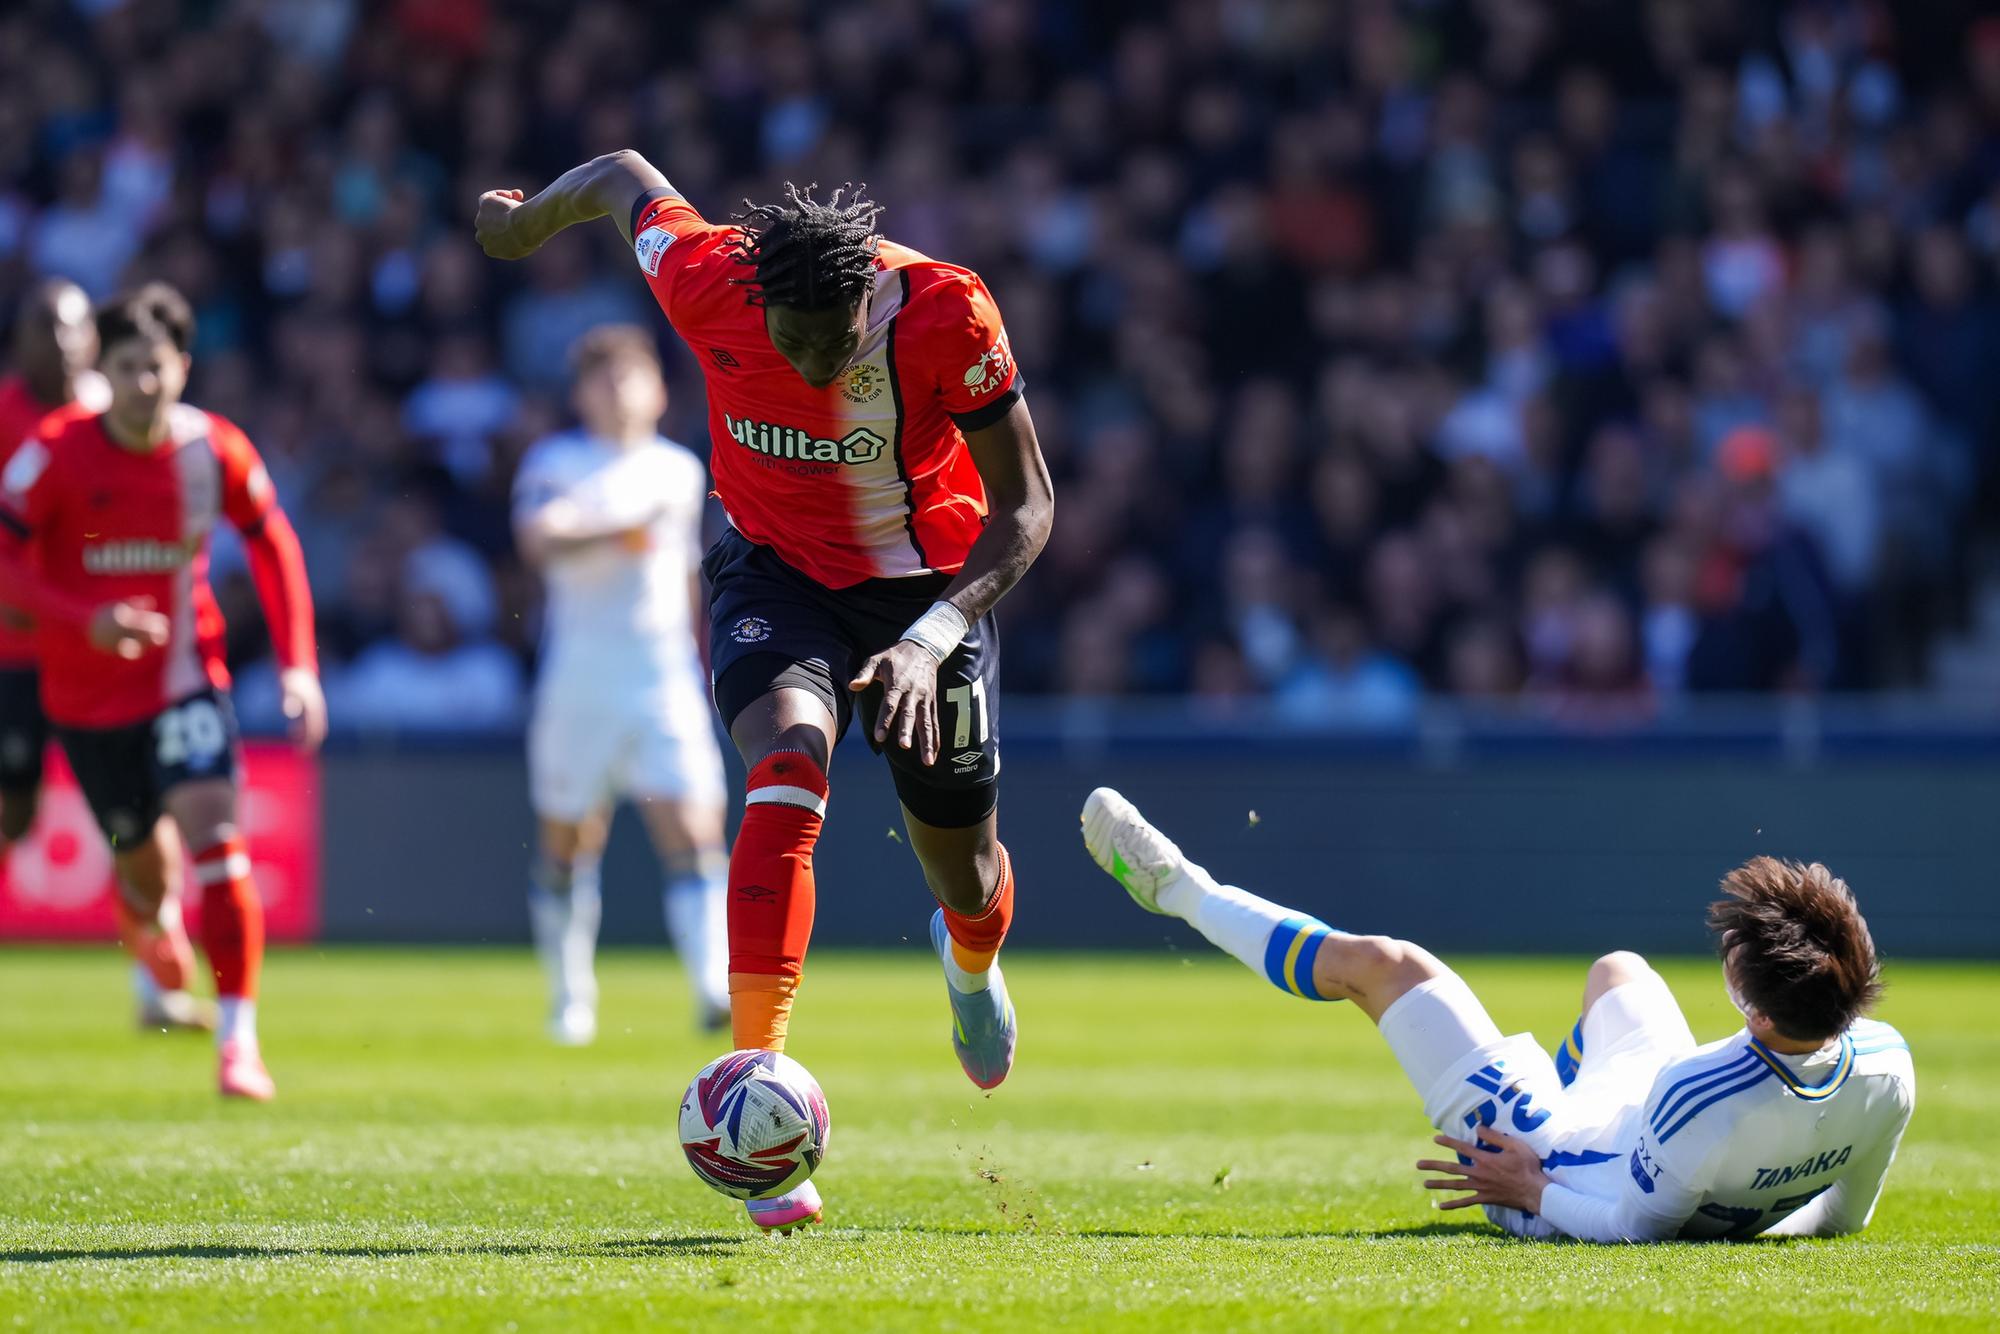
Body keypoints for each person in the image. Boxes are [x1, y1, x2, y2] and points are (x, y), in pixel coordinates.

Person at [476, 153, 1055, 1232]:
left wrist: (931, 639)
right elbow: (617, 176)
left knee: (966, 872)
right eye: (782, 339)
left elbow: (1025, 507)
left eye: (824, 342)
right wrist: (527, 226)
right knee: (787, 769)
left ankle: (969, 966)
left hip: (925, 598)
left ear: (864, 299)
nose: (800, 360)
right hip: (773, 579)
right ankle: (761, 1103)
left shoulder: (945, 311)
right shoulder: (706, 276)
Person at [1080, 788, 1915, 1242]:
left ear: (1754, 1009)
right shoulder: (1887, 1064)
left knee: (1388, 967)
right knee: (1619, 973)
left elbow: (1635, 1228)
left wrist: (1532, 1185)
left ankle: (1182, 891)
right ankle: (1508, 1077)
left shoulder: (1699, 1097)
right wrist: (1753, 1214)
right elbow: (1845, 1216)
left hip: (1554, 1162)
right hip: (1651, 1126)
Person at [0, 283, 327, 1099]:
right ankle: (150, 929)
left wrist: (296, 666)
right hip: (84, 702)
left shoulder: (214, 449)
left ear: (183, 366)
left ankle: (239, 1043)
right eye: (128, 369)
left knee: (218, 844)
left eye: (158, 366)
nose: (146, 384)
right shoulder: (51, 451)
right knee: (147, 877)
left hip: (186, 683)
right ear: (100, 374)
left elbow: (272, 542)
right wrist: (85, 619)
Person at [0, 278, 210, 1032]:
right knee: (14, 815)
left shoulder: (116, 408)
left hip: (120, 651)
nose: (58, 345)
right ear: (18, 340)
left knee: (142, 832)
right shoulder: (12, 420)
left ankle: (154, 989)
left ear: (94, 340)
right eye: (42, 330)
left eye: (71, 331)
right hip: (18, 654)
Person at [512, 325, 730, 1045]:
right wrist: (615, 528)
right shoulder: (556, 460)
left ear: (658, 389)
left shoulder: (678, 469)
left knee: (696, 830)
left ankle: (711, 986)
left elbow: (688, 582)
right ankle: (569, 999)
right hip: (578, 675)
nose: (618, 389)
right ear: (580, 394)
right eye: (602, 378)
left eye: (630, 375)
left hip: (661, 673)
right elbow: (539, 540)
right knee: (570, 839)